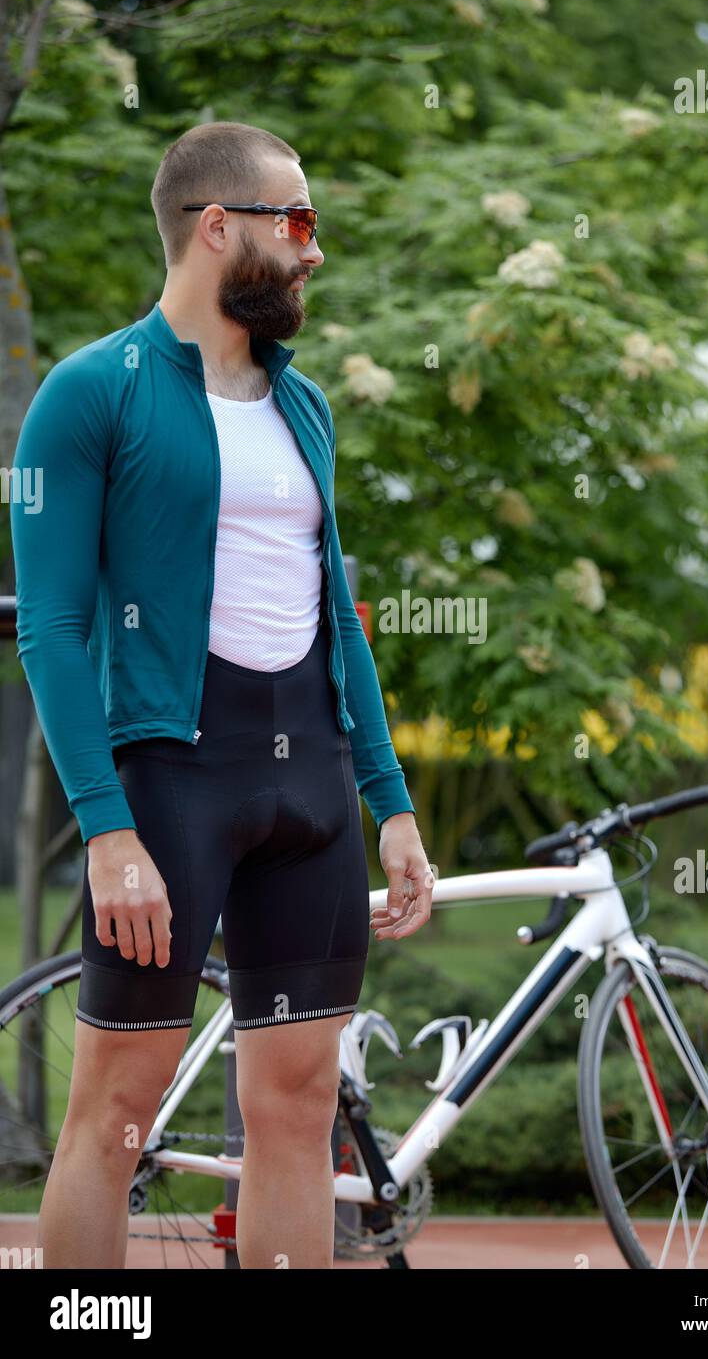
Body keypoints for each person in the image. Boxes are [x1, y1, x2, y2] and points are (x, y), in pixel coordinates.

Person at [10, 121, 435, 1270]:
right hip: (170, 791)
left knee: (294, 1117)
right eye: (296, 222)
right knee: (115, 1115)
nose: (313, 251)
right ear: (216, 227)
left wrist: (388, 801)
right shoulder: (92, 393)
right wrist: (106, 831)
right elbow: (50, 629)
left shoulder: (305, 408)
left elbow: (336, 614)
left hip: (311, 792)